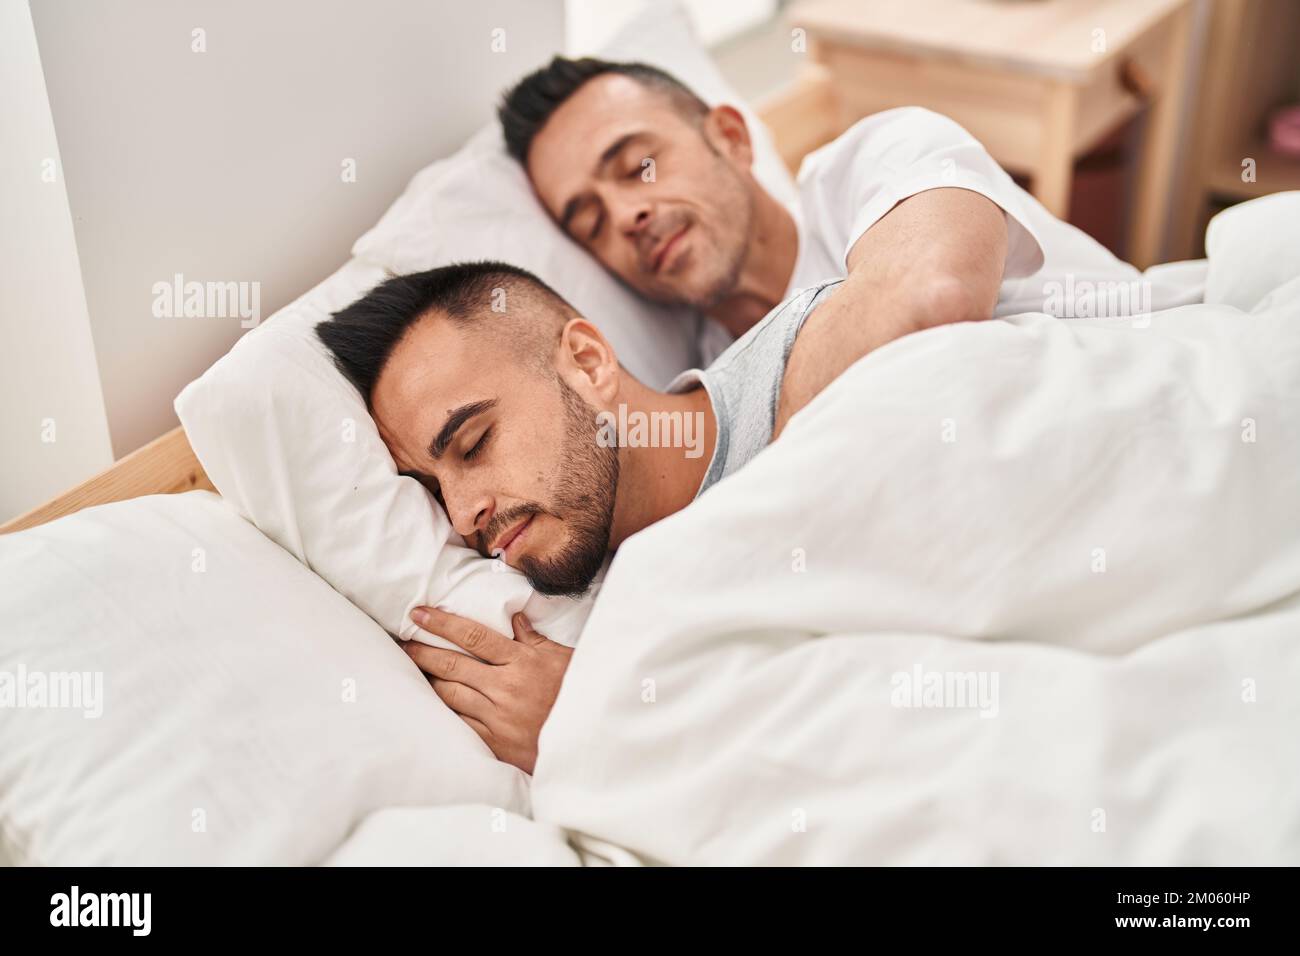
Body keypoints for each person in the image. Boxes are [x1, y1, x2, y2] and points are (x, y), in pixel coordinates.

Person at [317, 253, 948, 772]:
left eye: (474, 443)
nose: (461, 517)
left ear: (587, 364)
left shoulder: (820, 355)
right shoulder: (611, 622)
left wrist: (603, 729)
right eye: (433, 490)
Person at [497, 57, 1195, 356]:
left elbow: (935, 298)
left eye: (637, 167)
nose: (626, 216)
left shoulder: (877, 162)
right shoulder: (706, 386)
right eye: (591, 222)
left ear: (731, 137)